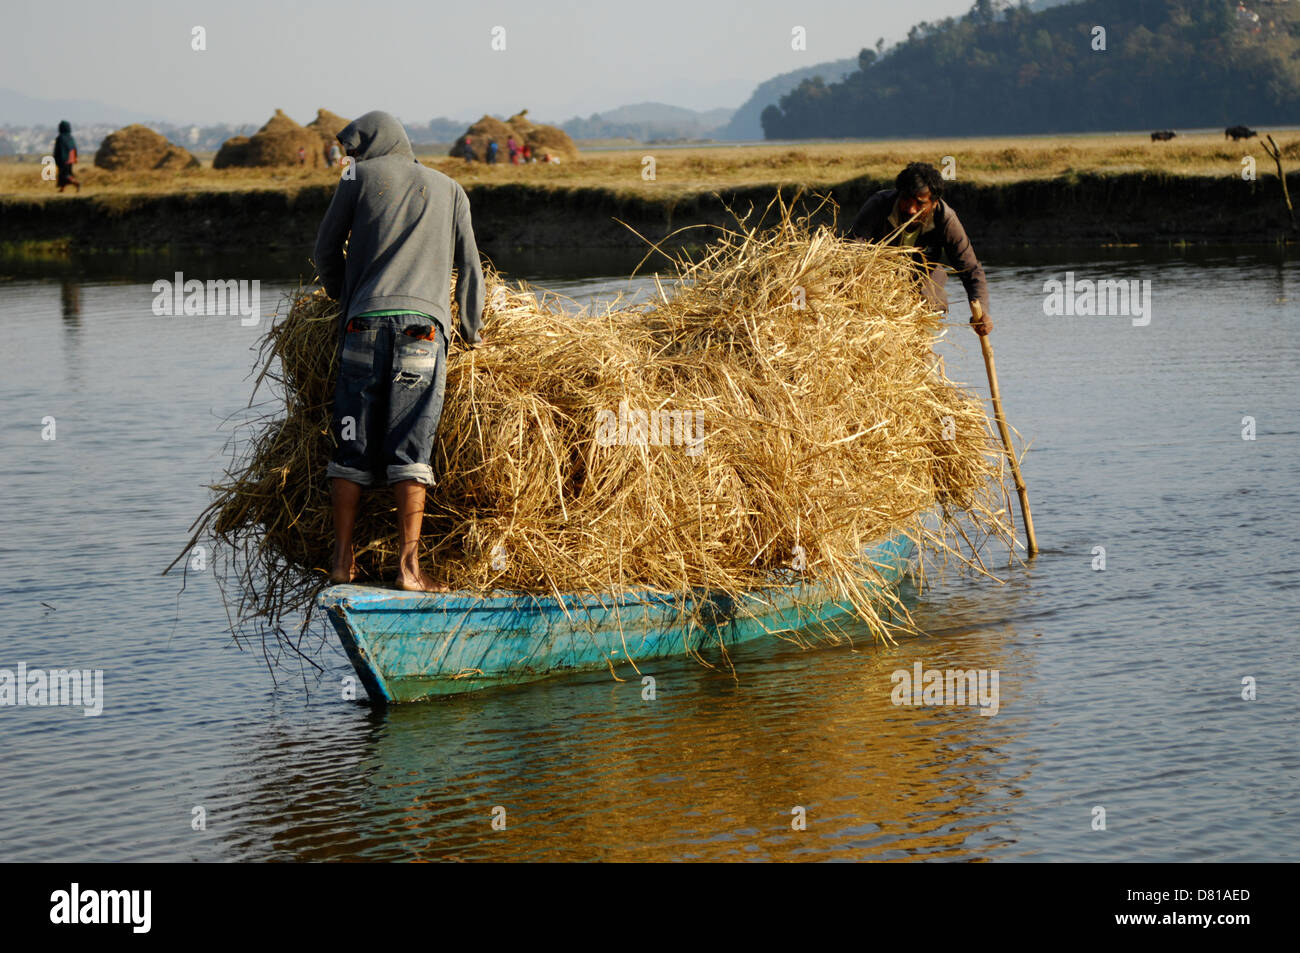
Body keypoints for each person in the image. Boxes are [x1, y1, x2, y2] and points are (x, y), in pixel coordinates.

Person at [314, 110, 486, 592]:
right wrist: (471, 330)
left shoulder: (356, 177)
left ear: (370, 146)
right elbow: (471, 269)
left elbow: (326, 250)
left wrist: (343, 298)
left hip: (362, 328)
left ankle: (342, 564)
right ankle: (409, 570)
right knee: (410, 446)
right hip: (423, 334)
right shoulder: (450, 188)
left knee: (352, 445)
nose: (351, 158)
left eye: (356, 149)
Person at [846, 162, 991, 336]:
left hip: (922, 298)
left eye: (919, 203)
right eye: (905, 199)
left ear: (934, 202)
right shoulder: (879, 205)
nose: (910, 209)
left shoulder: (945, 220)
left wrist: (981, 311)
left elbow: (971, 270)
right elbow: (852, 249)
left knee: (920, 356)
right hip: (876, 295)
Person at [52, 120, 80, 193]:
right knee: (65, 173)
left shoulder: (60, 138)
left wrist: (57, 158)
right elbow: (74, 148)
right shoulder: (71, 138)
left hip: (64, 159)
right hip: (71, 159)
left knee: (64, 174)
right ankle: (62, 189)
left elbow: (58, 150)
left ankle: (76, 183)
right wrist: (75, 157)